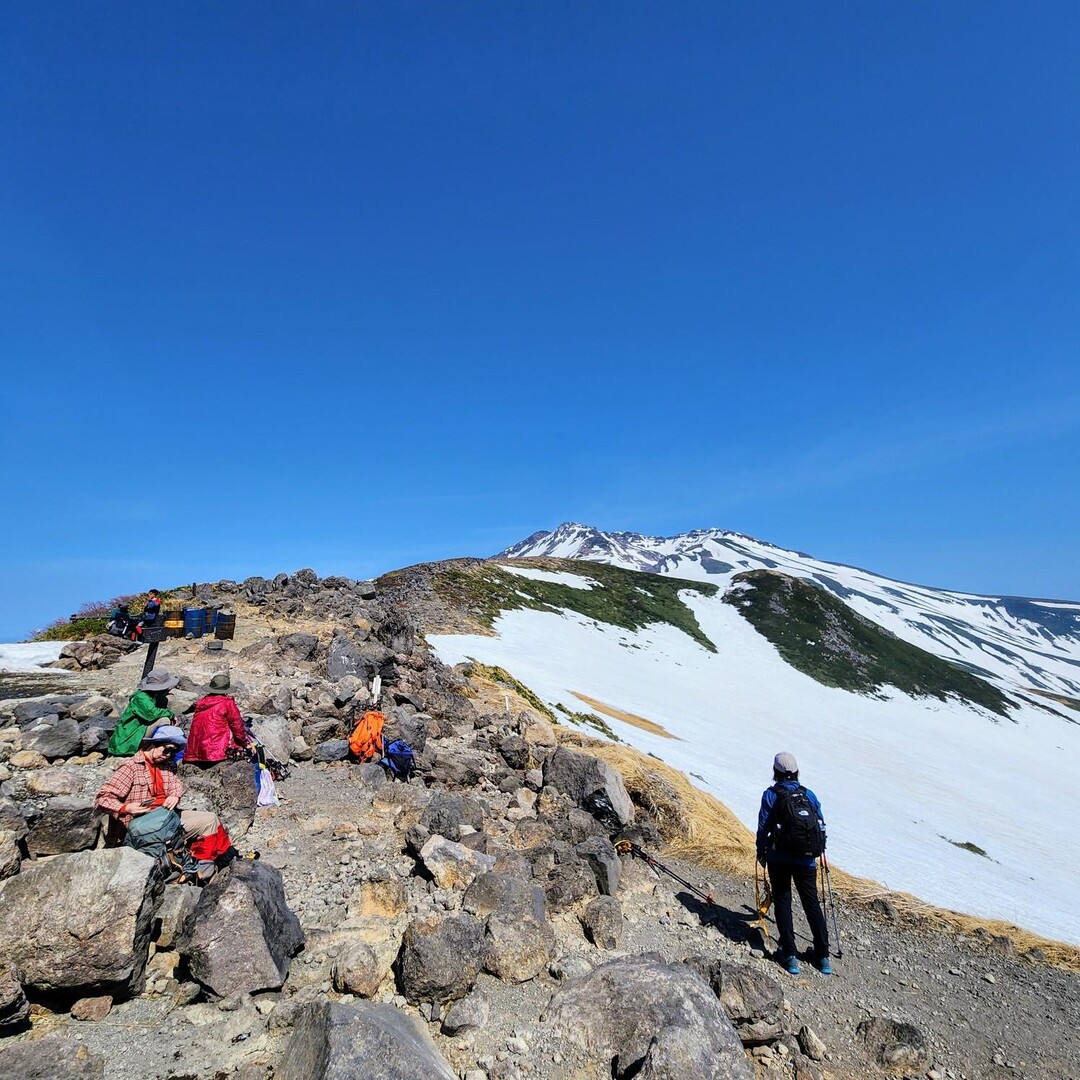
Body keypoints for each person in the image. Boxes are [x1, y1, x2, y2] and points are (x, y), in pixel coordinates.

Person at [95, 725, 235, 868]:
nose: (168, 755)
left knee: (211, 819)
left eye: (173, 752)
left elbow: (176, 785)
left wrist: (175, 795)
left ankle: (206, 861)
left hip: (166, 817)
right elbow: (102, 798)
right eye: (166, 749)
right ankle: (203, 865)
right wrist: (125, 808)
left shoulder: (163, 765)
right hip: (142, 826)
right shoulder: (130, 767)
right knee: (208, 823)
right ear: (153, 745)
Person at [756, 751, 831, 975]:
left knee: (783, 900)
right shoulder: (809, 795)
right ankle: (823, 957)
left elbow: (763, 828)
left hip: (779, 858)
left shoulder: (771, 795)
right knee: (811, 904)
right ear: (797, 772)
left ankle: (789, 955)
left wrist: (761, 852)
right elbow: (820, 825)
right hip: (807, 859)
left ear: (775, 772)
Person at [108, 669, 179, 757]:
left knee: (167, 720)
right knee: (164, 720)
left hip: (140, 729)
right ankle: (151, 750)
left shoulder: (157, 697)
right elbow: (152, 714)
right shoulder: (141, 698)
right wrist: (171, 714)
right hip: (129, 736)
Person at [186, 673, 250, 765]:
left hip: (195, 750)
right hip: (216, 752)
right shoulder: (228, 703)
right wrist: (245, 743)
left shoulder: (201, 702)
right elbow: (237, 726)